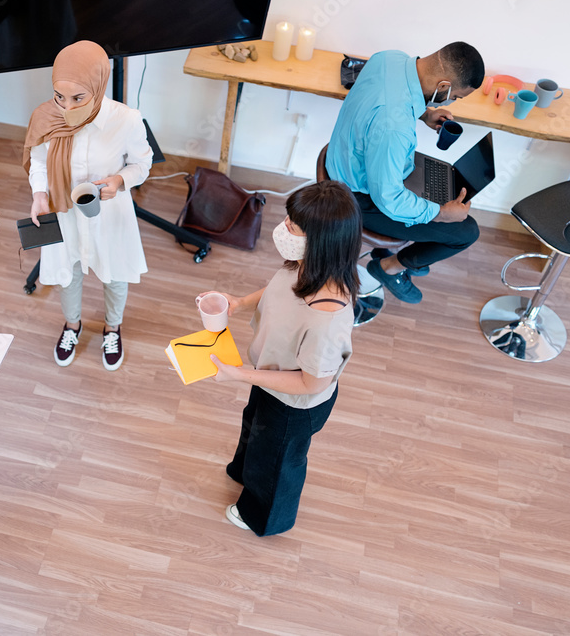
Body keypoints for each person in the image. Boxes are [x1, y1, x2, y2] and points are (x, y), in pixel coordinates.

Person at [205, 180, 361, 536]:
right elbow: (279, 287)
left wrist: (239, 375)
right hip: (269, 376)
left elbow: (311, 383)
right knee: (254, 430)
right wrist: (240, 302)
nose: (283, 229)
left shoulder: (326, 319)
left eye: (293, 227)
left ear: (319, 240)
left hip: (293, 404)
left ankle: (262, 517)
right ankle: (243, 471)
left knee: (275, 462)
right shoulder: (306, 264)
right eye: (288, 220)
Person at [23, 40, 153, 371]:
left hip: (109, 212)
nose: (67, 107)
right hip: (63, 213)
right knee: (67, 273)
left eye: (78, 98)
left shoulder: (126, 120)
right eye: (59, 97)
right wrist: (39, 194)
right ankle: (72, 325)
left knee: (115, 273)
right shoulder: (46, 118)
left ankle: (112, 328)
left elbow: (142, 164)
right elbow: (38, 162)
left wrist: (119, 181)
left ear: (98, 85)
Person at [326, 42, 486, 304]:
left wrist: (425, 114)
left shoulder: (389, 58)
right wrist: (441, 214)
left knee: (447, 187)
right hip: (357, 198)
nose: (452, 101)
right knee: (466, 232)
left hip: (345, 160)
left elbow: (389, 97)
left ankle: (410, 255)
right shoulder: (394, 128)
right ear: (443, 86)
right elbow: (388, 199)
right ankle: (388, 267)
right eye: (455, 96)